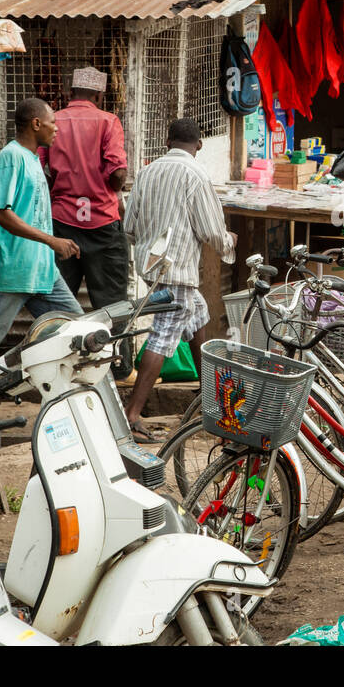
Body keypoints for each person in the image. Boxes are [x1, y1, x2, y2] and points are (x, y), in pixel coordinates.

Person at [123, 117, 235, 443]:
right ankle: (132, 415)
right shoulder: (196, 174)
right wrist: (229, 241)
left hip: (153, 268)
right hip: (178, 271)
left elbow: (129, 227)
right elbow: (212, 231)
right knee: (163, 337)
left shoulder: (146, 172)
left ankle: (208, 400)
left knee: (198, 316)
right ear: (198, 145)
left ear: (167, 142)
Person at [0, 98, 82, 357]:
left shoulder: (33, 160)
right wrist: (51, 240)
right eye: (52, 123)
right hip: (13, 273)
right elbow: (1, 212)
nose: (56, 129)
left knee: (77, 330)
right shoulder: (12, 157)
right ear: (36, 124)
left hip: (42, 273)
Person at [38, 67, 129, 310]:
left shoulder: (53, 121)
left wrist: (55, 187)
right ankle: (113, 348)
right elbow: (118, 173)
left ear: (71, 92)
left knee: (57, 305)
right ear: (99, 96)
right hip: (102, 224)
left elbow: (35, 169)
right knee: (112, 307)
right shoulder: (109, 121)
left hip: (62, 222)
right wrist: (113, 189)